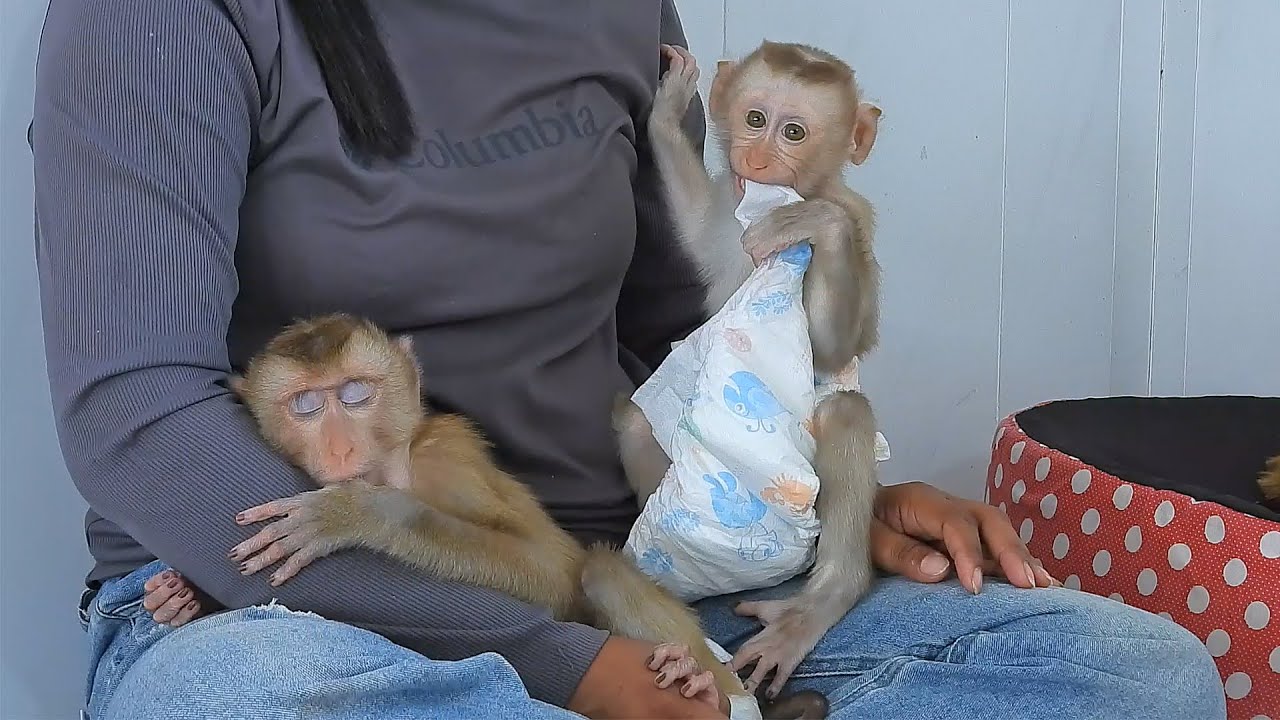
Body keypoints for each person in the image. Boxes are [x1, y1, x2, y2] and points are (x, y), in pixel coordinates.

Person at [29, 1, 1227, 719]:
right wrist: (569, 670)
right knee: (235, 703)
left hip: (636, 568)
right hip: (300, 610)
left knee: (1125, 671)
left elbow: (683, 340)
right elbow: (136, 419)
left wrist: (811, 505)